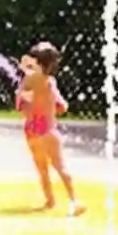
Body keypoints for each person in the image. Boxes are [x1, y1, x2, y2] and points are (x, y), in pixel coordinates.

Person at [16, 41, 85, 216]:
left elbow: (20, 105)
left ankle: (50, 200)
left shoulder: (26, 82)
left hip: (31, 129)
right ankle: (74, 200)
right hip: (47, 129)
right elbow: (62, 105)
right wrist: (56, 108)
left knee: (42, 168)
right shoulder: (49, 82)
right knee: (60, 166)